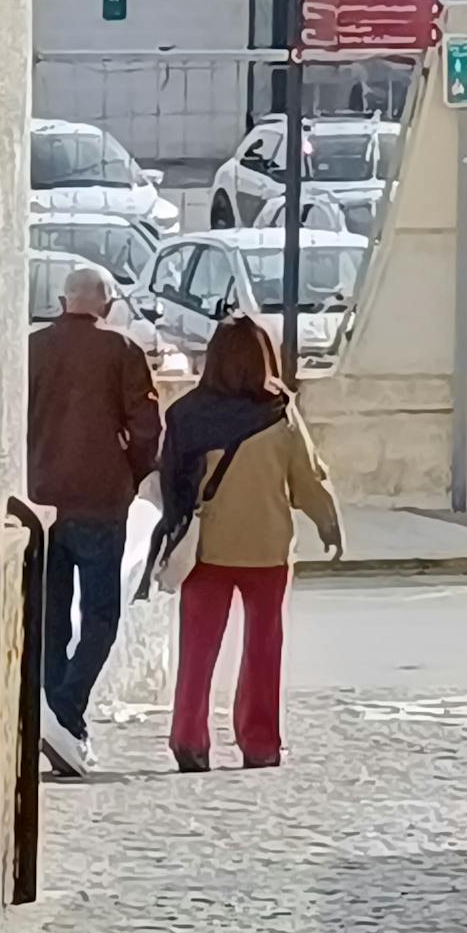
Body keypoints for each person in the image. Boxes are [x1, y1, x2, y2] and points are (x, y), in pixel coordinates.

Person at [152, 306, 340, 768]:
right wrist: (328, 521)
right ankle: (259, 742)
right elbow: (308, 479)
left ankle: (190, 739)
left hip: (205, 547)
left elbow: (168, 483)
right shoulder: (279, 414)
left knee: (197, 650)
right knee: (263, 649)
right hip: (267, 547)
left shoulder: (185, 414)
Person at [21, 264, 162, 773]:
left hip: (42, 501)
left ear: (63, 302)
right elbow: (147, 426)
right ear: (105, 304)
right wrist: (132, 471)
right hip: (101, 501)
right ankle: (65, 711)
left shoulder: (33, 349)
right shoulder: (122, 350)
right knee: (101, 617)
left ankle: (57, 718)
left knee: (52, 618)